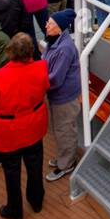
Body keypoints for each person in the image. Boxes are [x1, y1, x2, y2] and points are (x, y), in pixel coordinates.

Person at [0, 34, 50, 219]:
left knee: (12, 170)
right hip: (34, 125)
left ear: (10, 51)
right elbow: (45, 86)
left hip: (10, 131)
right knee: (35, 164)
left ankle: (15, 209)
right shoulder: (41, 67)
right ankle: (36, 200)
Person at [42, 10, 82, 180]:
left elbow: (56, 79)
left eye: (50, 24)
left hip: (64, 98)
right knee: (60, 129)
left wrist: (37, 82)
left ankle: (67, 164)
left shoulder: (64, 49)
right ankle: (64, 157)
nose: (46, 26)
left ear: (59, 28)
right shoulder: (55, 41)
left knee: (65, 130)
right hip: (57, 96)